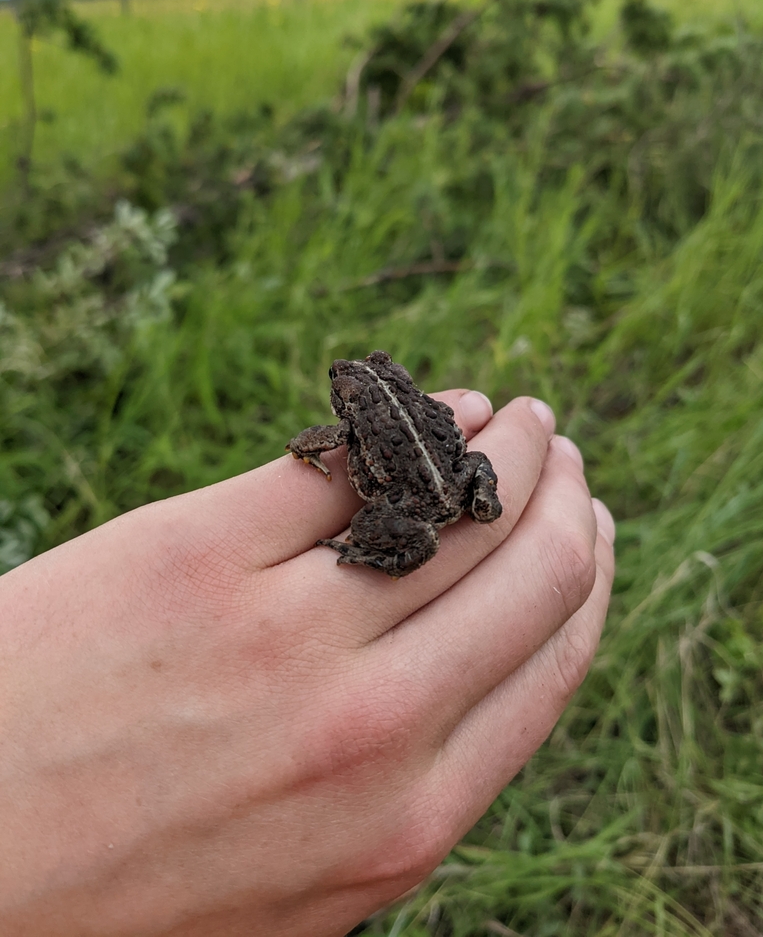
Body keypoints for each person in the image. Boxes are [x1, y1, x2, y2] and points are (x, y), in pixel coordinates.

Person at [0, 390, 614, 937]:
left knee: (401, 534)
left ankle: (365, 553)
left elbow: (307, 443)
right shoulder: (426, 412)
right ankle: (452, 520)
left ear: (349, 410)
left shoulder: (348, 428)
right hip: (454, 486)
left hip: (411, 502)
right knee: (455, 491)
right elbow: (453, 434)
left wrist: (309, 464)